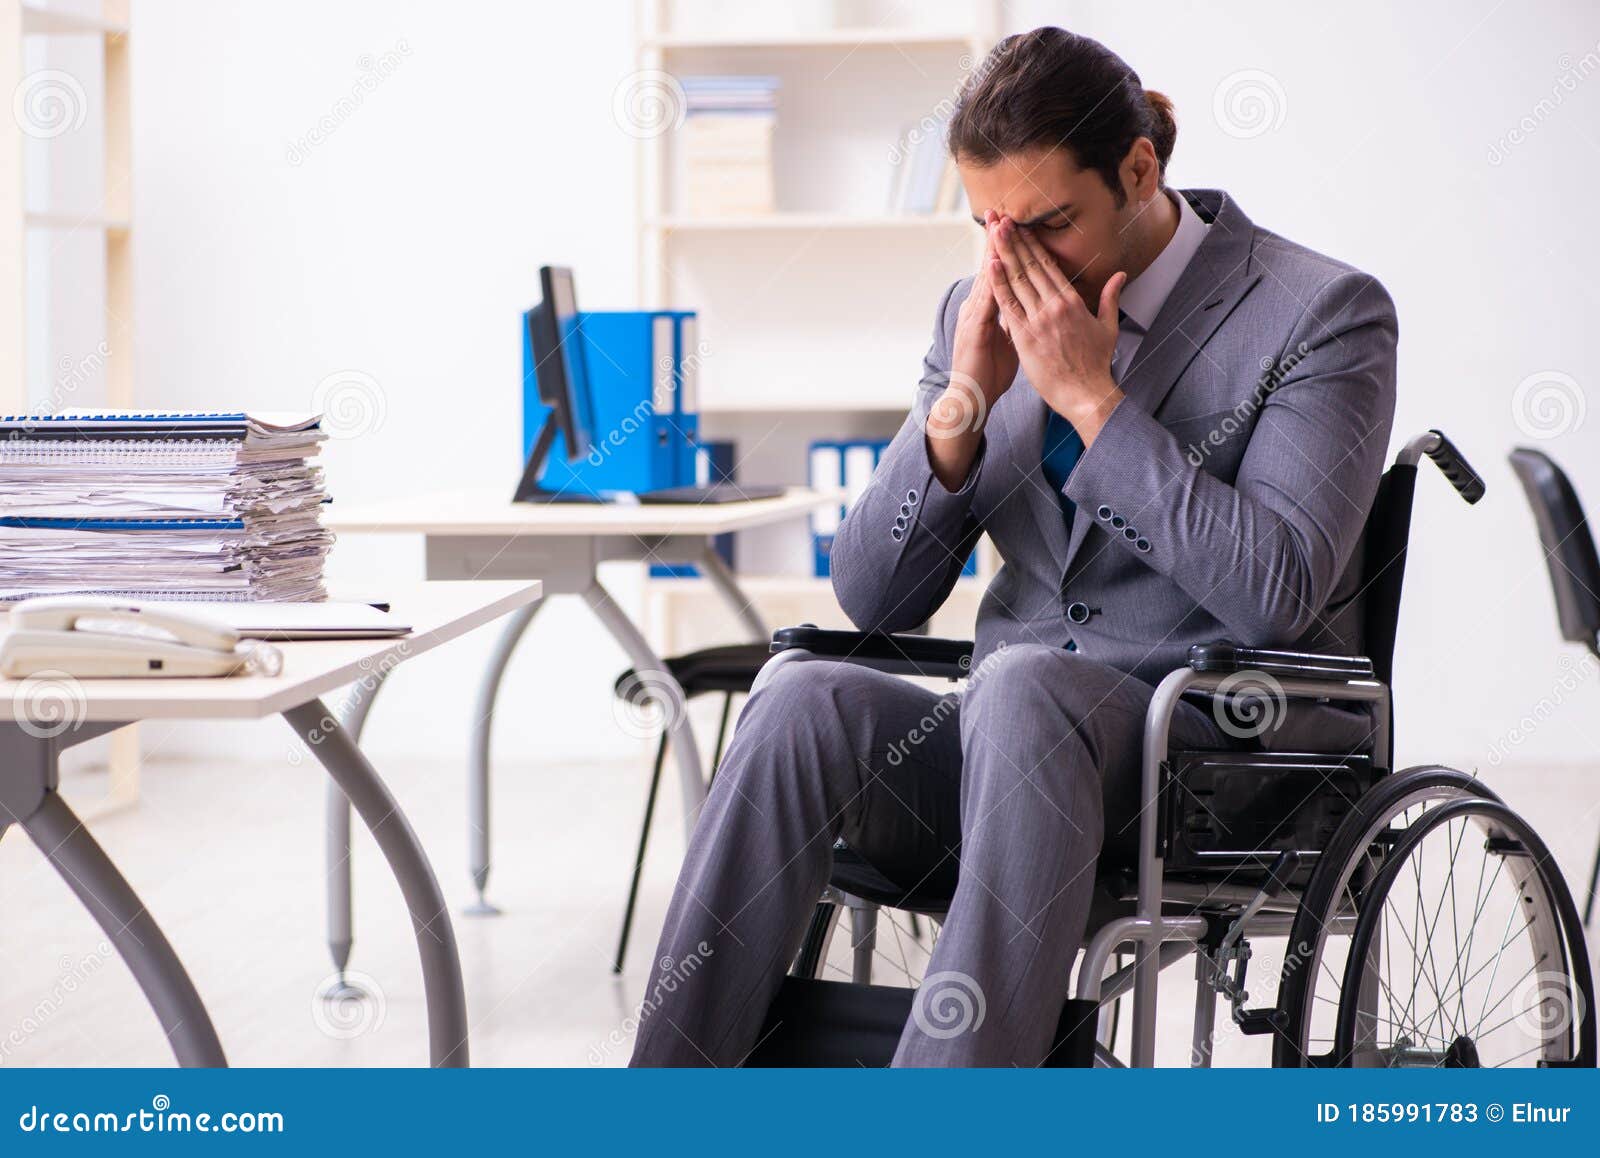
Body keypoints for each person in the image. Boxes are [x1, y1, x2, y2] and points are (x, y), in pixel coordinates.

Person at [629, 25, 1394, 1067]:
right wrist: (960, 409)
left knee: (1026, 684)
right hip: (1000, 754)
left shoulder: (1319, 314)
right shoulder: (971, 313)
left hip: (1205, 764)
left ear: (1137, 168)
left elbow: (1276, 589)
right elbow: (874, 599)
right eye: (991, 227)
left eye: (1050, 224)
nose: (1018, 260)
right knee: (800, 690)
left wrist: (1093, 402)